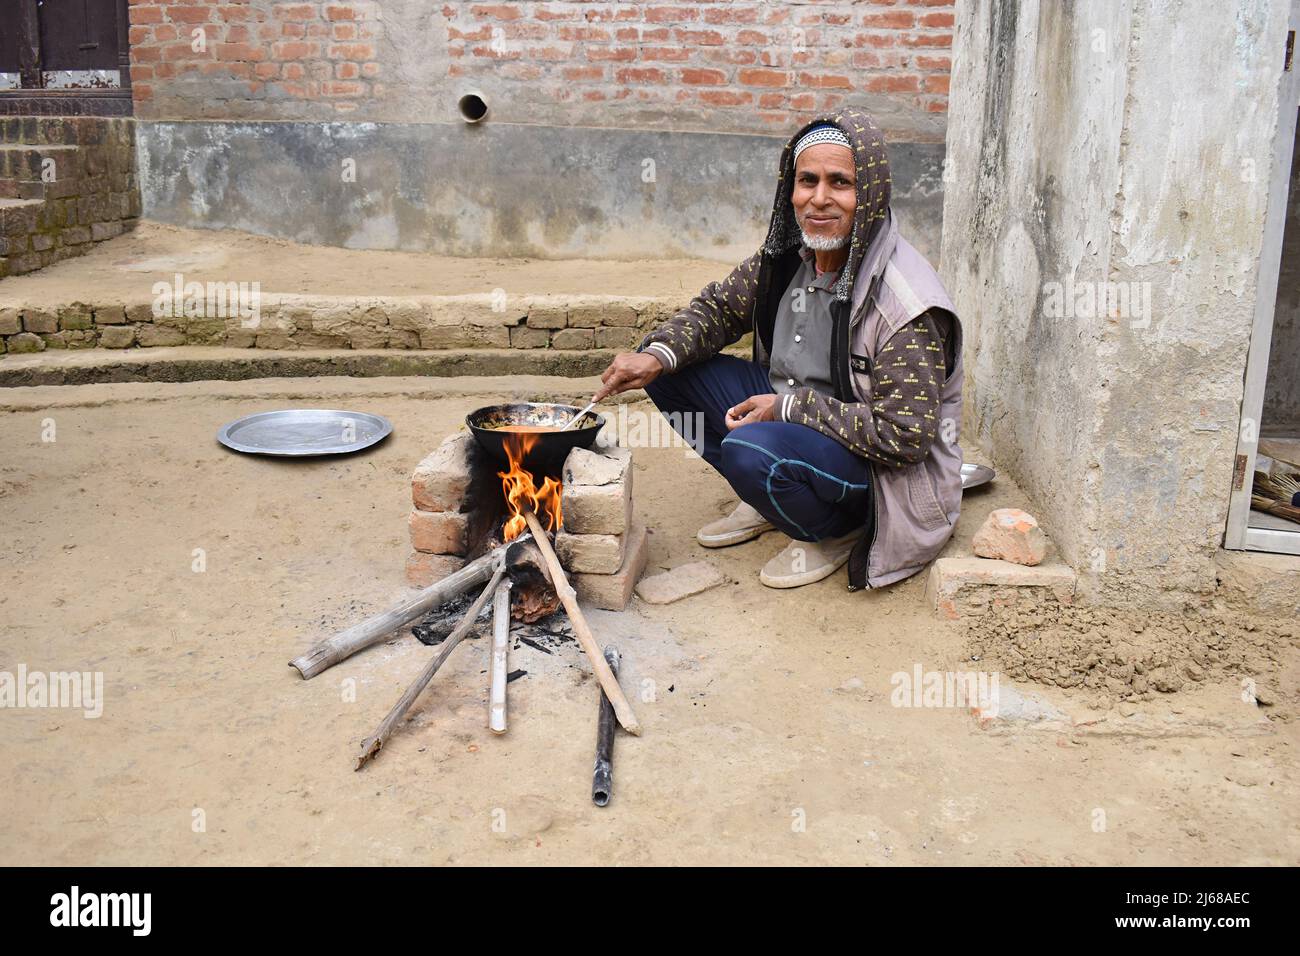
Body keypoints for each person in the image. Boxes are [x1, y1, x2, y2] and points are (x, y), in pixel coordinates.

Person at [594, 108, 964, 590]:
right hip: (796, 416)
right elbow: (719, 309)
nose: (820, 199)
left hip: (877, 471)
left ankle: (831, 532)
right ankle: (770, 495)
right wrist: (655, 356)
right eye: (807, 180)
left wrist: (788, 409)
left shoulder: (906, 305)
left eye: (840, 183)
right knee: (666, 363)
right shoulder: (790, 258)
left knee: (749, 450)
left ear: (870, 194)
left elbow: (904, 439)